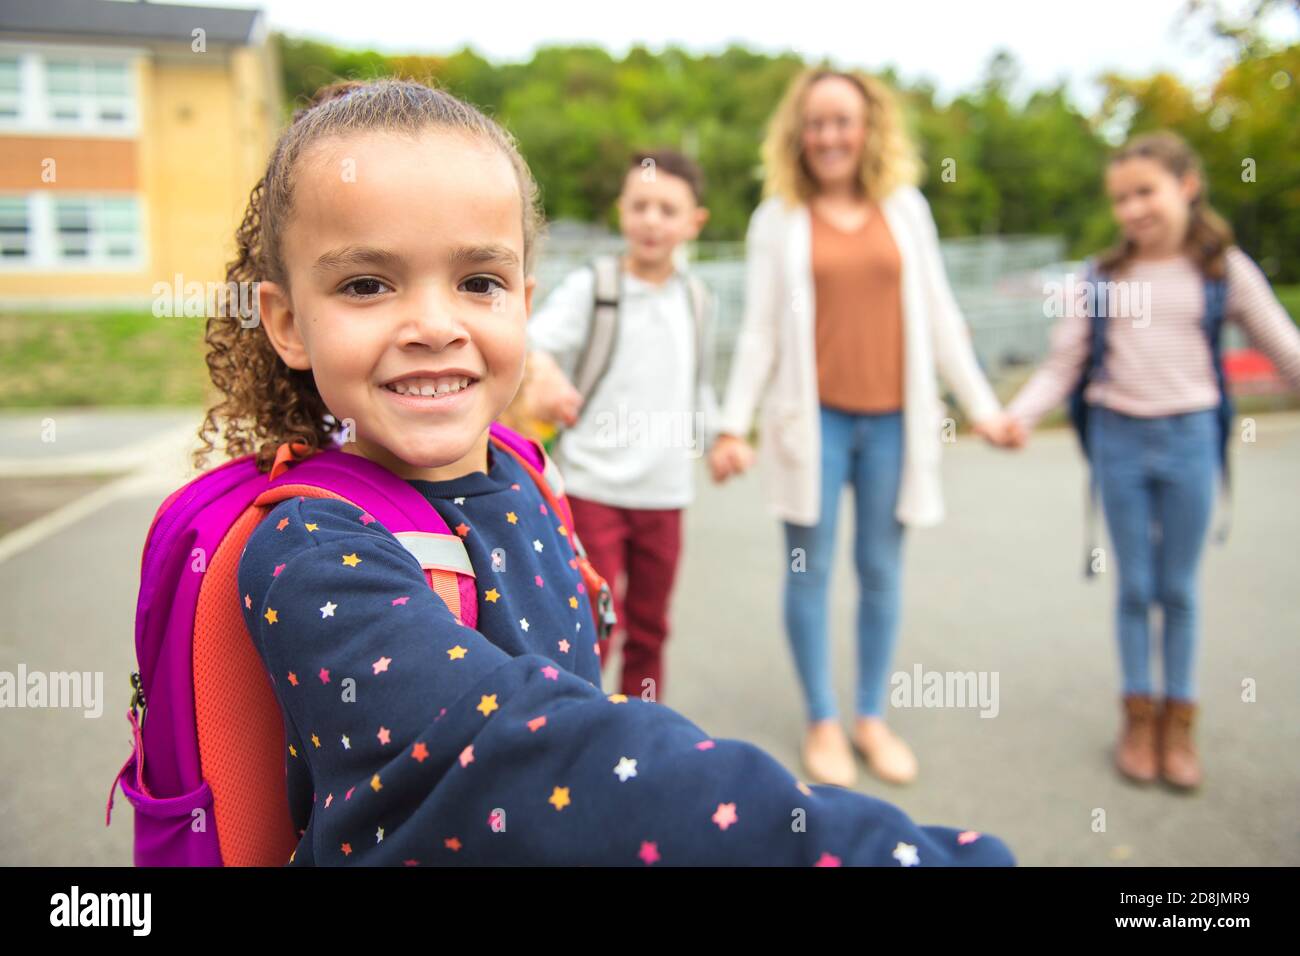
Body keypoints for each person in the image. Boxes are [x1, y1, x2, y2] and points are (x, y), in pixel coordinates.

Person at [192, 78, 1014, 865]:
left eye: (479, 281)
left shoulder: (521, 470)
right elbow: (534, 759)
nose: (434, 324)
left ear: (523, 297)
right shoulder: (311, 552)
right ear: (288, 323)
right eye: (368, 284)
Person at [708, 68, 1017, 788]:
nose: (829, 135)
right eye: (816, 122)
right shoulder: (776, 220)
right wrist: (731, 425)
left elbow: (940, 316)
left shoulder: (905, 208)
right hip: (811, 424)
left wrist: (985, 410)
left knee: (880, 571)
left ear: (869, 128)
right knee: (807, 572)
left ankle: (871, 717)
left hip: (894, 424)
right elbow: (758, 334)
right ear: (798, 133)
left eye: (842, 120)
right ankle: (823, 720)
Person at [992, 130, 1300, 789]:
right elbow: (1062, 365)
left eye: (1145, 192)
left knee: (1179, 589)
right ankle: (1137, 714)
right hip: (1118, 441)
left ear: (1187, 186)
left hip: (1191, 439)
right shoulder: (1100, 278)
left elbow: (1285, 349)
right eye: (1121, 199)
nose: (1133, 209)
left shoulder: (1225, 271)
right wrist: (1014, 418)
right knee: (1135, 587)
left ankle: (1178, 721)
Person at [522, 148, 718, 703]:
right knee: (592, 620)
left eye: (667, 208)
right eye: (640, 205)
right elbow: (535, 342)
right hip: (593, 486)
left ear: (694, 222)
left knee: (651, 627)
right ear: (621, 211)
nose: (652, 219)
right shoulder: (596, 286)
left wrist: (722, 436)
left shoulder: (698, 299)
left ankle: (643, 726)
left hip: (665, 491)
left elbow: (700, 384)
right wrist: (549, 381)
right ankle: (583, 724)